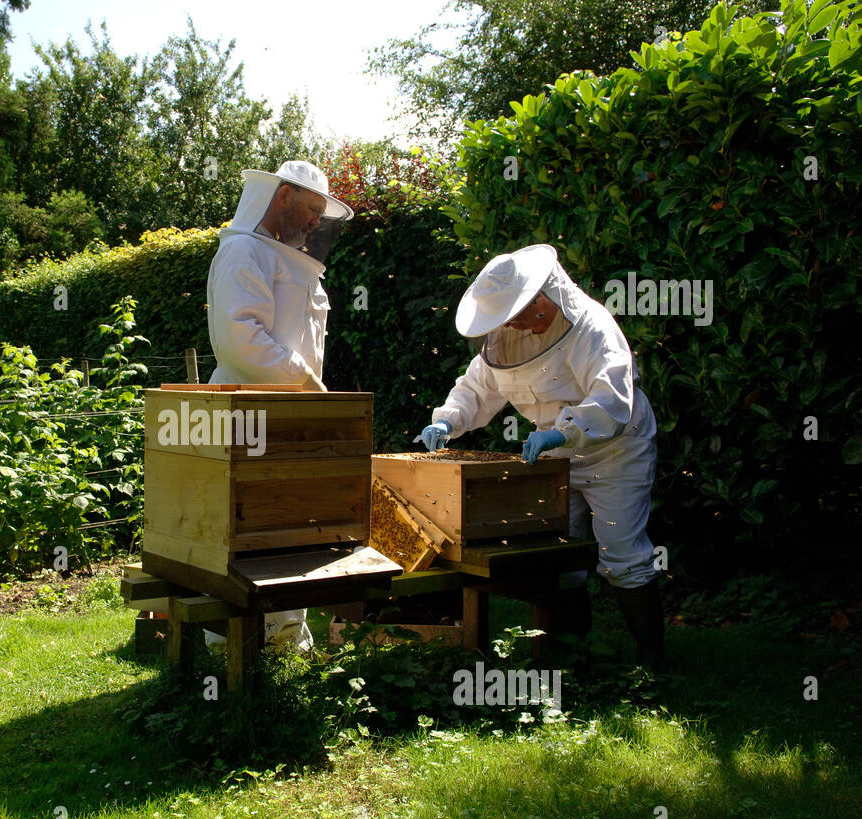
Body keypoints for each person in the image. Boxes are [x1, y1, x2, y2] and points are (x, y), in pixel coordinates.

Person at [415, 244, 665, 669]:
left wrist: (562, 433)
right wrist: (449, 421)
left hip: (615, 451)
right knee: (556, 551)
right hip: (553, 456)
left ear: (543, 298)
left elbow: (612, 402)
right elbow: (479, 387)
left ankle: (651, 663)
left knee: (622, 552)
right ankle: (568, 652)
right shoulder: (508, 333)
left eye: (517, 315)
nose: (513, 325)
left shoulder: (593, 330)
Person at [206, 159, 354, 653]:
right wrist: (308, 384)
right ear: (283, 196)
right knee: (243, 531)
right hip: (248, 413)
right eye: (311, 208)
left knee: (294, 526)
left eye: (322, 213)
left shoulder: (289, 260)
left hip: (289, 411)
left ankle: (287, 642)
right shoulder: (243, 251)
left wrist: (306, 390)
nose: (316, 221)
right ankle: (226, 646)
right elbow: (239, 340)